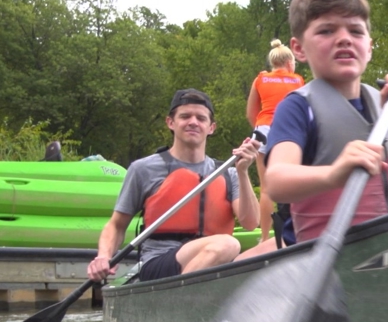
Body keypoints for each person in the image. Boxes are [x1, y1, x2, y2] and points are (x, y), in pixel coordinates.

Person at [256, 0, 388, 249]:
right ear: (298, 48)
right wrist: (334, 174)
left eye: (356, 31)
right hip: (326, 269)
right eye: (326, 30)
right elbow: (277, 181)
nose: (344, 38)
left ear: (369, 47)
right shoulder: (298, 107)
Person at [87, 89, 260, 283]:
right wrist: (104, 255)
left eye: (201, 118)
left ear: (211, 128)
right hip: (160, 263)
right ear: (171, 122)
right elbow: (117, 225)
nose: (193, 122)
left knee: (262, 247)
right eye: (185, 116)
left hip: (216, 261)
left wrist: (243, 172)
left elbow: (251, 222)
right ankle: (175, 298)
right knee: (228, 244)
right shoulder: (143, 169)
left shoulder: (230, 172)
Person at [246, 38, 305, 243]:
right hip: (289, 131)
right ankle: (296, 230)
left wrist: (261, 126)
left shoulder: (260, 79)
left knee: (265, 187)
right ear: (289, 63)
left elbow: (250, 112)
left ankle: (264, 238)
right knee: (294, 182)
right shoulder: (298, 80)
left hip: (263, 128)